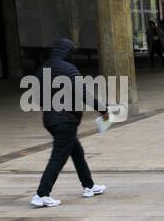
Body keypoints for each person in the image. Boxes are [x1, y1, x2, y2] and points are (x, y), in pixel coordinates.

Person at [31, 38, 107, 209]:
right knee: (58, 156)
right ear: (68, 52)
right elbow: (84, 94)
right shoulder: (68, 68)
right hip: (66, 121)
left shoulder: (42, 69)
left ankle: (89, 186)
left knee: (77, 152)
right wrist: (103, 110)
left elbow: (36, 96)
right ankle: (41, 194)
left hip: (50, 120)